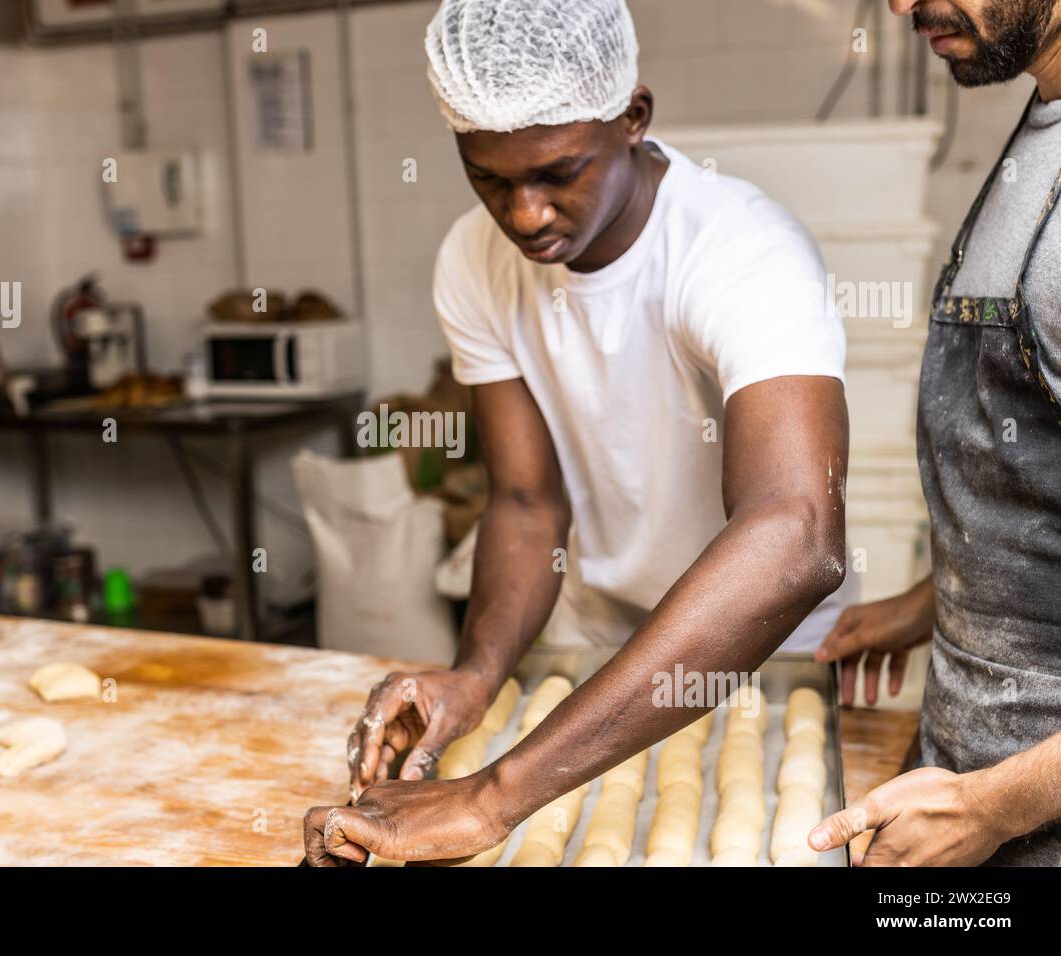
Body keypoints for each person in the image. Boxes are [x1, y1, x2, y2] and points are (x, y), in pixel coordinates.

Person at [305, 0, 853, 865]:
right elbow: (525, 503)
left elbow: (796, 535)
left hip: (759, 668)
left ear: (634, 116)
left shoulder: (741, 249)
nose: (524, 216)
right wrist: (477, 677)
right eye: (488, 179)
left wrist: (493, 797)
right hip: (594, 665)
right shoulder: (471, 263)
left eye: (559, 173)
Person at [812, 0, 1061, 866]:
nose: (899, 3)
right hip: (958, 789)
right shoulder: (1043, 119)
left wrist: (992, 807)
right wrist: (936, 603)